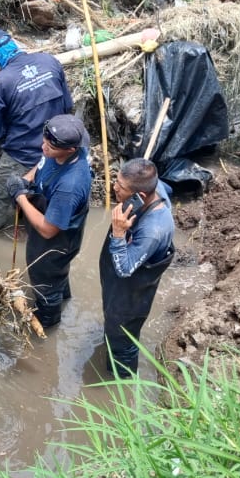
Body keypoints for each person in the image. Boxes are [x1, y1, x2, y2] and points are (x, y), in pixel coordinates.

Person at [0, 29, 73, 232]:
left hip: (24, 153)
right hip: (58, 147)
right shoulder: (49, 61)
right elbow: (68, 104)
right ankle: (35, 213)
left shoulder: (1, 82)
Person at [8, 114, 92, 328]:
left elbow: (47, 230)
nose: (43, 147)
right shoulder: (66, 141)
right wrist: (25, 181)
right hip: (54, 221)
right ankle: (63, 296)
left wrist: (20, 197)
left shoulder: (69, 186)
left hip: (56, 243)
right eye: (44, 140)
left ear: (71, 149)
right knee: (57, 276)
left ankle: (48, 322)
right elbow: (43, 164)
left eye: (50, 146)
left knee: (46, 281)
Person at [98, 158, 175, 377]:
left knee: (123, 342)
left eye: (119, 187)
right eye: (116, 181)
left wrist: (119, 233)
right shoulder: (155, 186)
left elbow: (123, 269)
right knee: (113, 329)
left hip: (131, 297)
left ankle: (120, 385)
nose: (113, 187)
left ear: (139, 196)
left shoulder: (153, 229)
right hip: (118, 291)